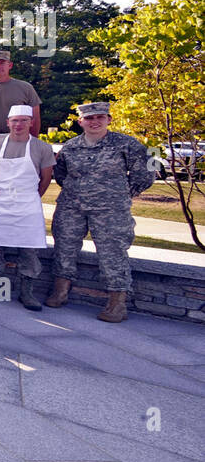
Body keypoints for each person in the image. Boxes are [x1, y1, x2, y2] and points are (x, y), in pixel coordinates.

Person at [46, 101, 154, 323]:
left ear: (109, 119)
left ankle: (117, 303)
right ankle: (60, 291)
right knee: (64, 246)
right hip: (71, 206)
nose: (94, 122)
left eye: (100, 117)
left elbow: (145, 175)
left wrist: (120, 194)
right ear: (80, 122)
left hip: (110, 210)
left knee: (112, 253)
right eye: (89, 118)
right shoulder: (71, 146)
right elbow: (61, 174)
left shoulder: (126, 144)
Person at [0, 104, 54, 311]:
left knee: (29, 252)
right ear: (8, 122)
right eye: (14, 120)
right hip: (0, 204)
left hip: (28, 205)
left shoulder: (42, 148)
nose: (19, 124)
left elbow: (45, 180)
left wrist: (28, 197)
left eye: (23, 120)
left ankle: (27, 292)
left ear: (31, 122)